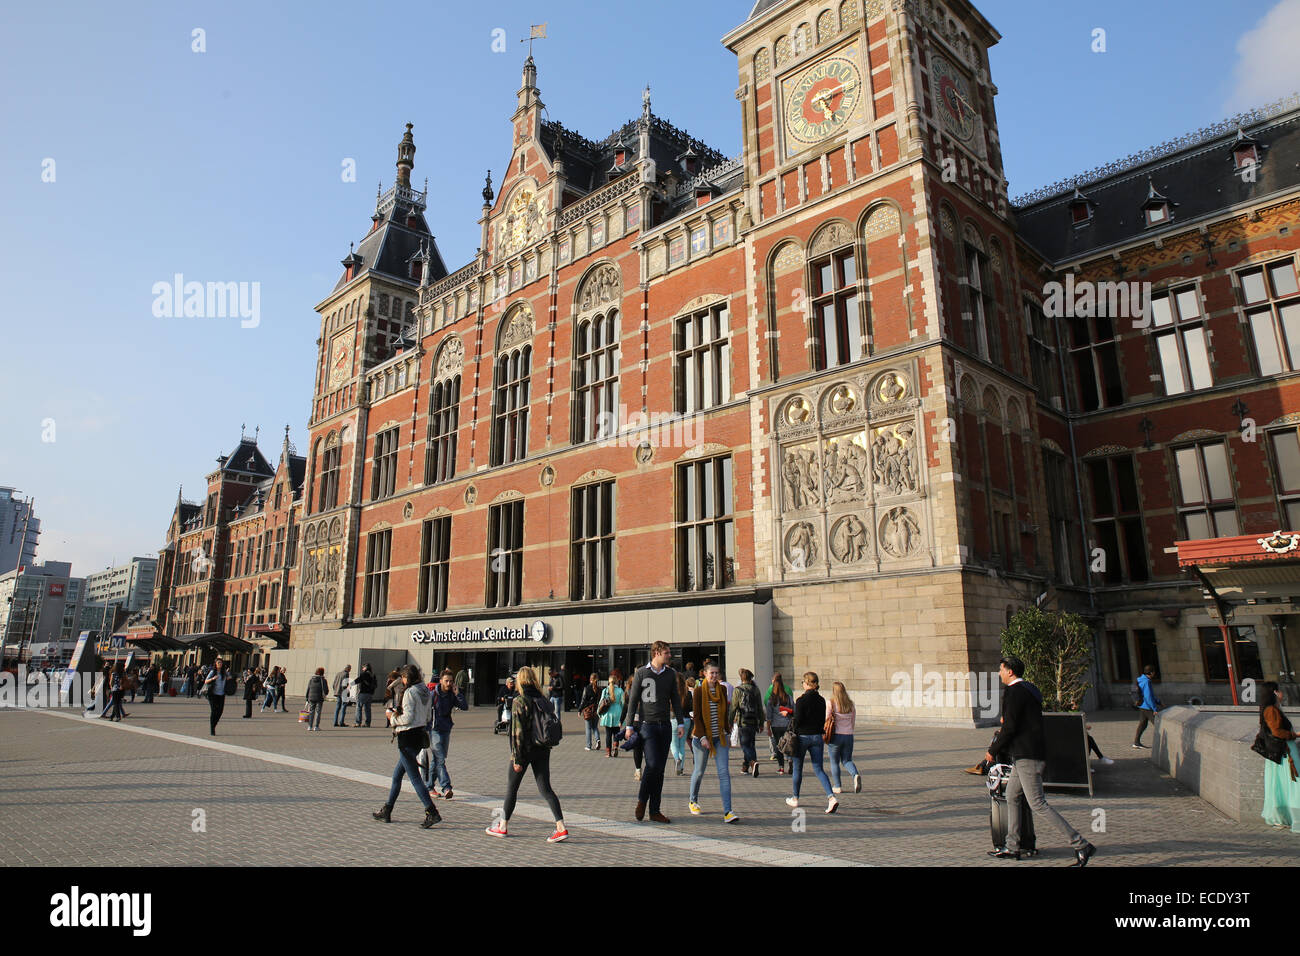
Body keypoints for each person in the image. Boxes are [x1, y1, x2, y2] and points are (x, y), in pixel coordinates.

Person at [985, 655, 1096, 865]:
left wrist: (993, 749)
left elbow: (1010, 727)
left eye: (1001, 669)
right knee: (1012, 796)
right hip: (1026, 754)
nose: (999, 673)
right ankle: (1012, 845)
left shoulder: (1014, 692)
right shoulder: (1030, 689)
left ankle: (1081, 844)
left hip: (1027, 755)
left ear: (1010, 671)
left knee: (1038, 803)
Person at [485, 666, 568, 842]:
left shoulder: (520, 701)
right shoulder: (543, 699)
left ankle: (503, 826)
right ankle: (561, 827)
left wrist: (517, 758)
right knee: (546, 788)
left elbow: (517, 733)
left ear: (520, 681)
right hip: (543, 749)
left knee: (512, 788)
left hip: (525, 750)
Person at [621, 641, 687, 823]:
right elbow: (632, 701)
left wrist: (680, 723)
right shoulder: (642, 673)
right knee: (652, 765)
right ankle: (642, 800)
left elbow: (675, 699)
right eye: (666, 653)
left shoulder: (671, 674)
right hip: (647, 725)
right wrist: (628, 726)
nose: (669, 656)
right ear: (657, 653)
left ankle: (655, 810)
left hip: (665, 725)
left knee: (660, 770)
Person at [373, 665, 441, 829]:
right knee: (397, 776)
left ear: (408, 677)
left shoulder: (410, 692)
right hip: (419, 735)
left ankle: (432, 812)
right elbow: (428, 716)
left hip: (407, 737)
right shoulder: (425, 690)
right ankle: (387, 810)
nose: (402, 681)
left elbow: (408, 717)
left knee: (415, 778)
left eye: (403, 677)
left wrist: (392, 718)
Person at [688, 662, 739, 823]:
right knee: (699, 771)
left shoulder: (722, 690)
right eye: (712, 673)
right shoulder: (698, 691)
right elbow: (696, 716)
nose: (714, 676)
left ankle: (728, 811)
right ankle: (693, 800)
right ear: (704, 674)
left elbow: (725, 713)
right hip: (701, 738)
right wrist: (703, 737)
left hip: (720, 737)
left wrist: (728, 731)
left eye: (717, 673)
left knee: (724, 773)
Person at [785, 672, 838, 813]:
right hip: (817, 736)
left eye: (803, 681)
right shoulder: (821, 700)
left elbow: (798, 719)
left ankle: (795, 798)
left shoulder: (801, 700)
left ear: (807, 683)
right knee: (819, 769)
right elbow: (822, 720)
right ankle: (831, 797)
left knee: (797, 768)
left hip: (803, 737)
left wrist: (792, 722)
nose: (802, 684)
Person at [1259, 682, 1300, 832]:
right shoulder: (1271, 710)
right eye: (1279, 691)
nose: (1282, 693)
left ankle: (1282, 817)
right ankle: (1289, 817)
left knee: (1280, 784)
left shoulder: (1271, 709)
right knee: (1292, 783)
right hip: (1284, 752)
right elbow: (1277, 731)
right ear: (1275, 693)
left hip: (1280, 753)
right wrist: (1294, 735)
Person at [425, 669, 467, 799]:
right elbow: (426, 713)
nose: (449, 683)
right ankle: (446, 787)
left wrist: (458, 693)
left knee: (437, 760)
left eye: (450, 681)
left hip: (446, 729)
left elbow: (464, 706)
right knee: (440, 759)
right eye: (446, 681)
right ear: (441, 681)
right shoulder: (433, 695)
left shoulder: (451, 695)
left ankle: (429, 786)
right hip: (434, 730)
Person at [826, 681, 861, 794]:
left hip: (835, 736)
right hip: (848, 735)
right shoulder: (850, 704)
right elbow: (853, 721)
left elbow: (827, 719)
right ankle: (855, 775)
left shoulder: (831, 703)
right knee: (847, 760)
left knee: (834, 762)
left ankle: (837, 786)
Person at [731, 669, 763, 777]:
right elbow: (759, 707)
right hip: (753, 721)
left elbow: (733, 708)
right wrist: (761, 722)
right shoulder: (756, 690)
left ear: (741, 678)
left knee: (744, 745)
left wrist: (729, 722)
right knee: (751, 744)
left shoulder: (738, 690)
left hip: (742, 721)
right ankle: (746, 767)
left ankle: (753, 762)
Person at [766, 677, 793, 775]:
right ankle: (790, 760)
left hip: (776, 726)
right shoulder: (788, 697)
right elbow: (793, 711)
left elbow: (769, 716)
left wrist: (768, 728)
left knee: (779, 746)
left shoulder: (771, 699)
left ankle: (781, 767)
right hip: (787, 724)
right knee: (788, 744)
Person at [202, 658, 237, 736]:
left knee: (220, 711)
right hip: (213, 694)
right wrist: (213, 678)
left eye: (221, 663)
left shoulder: (224, 672)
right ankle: (212, 729)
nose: (220, 664)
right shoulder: (212, 672)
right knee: (214, 711)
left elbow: (231, 677)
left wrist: (229, 678)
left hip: (221, 694)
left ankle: (214, 724)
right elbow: (206, 681)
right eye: (218, 663)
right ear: (215, 664)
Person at [1133, 665, 1161, 749]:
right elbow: (1148, 696)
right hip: (1147, 707)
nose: (1154, 674)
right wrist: (1154, 709)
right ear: (1151, 672)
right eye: (1154, 672)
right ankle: (1162, 744)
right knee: (1158, 724)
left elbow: (1148, 695)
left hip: (1141, 705)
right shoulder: (1147, 681)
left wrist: (1158, 701)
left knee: (1143, 724)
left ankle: (1136, 743)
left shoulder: (1140, 679)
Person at [598, 669, 625, 757]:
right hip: (618, 713)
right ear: (617, 681)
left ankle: (608, 752)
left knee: (608, 735)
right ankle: (616, 746)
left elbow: (600, 703)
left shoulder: (605, 690)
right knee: (616, 733)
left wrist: (599, 714)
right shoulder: (620, 690)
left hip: (607, 714)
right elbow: (623, 703)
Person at [669, 672, 690, 775]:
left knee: (673, 744)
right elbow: (691, 708)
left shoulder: (670, 692)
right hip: (686, 719)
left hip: (673, 719)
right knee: (682, 745)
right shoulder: (688, 693)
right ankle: (681, 769)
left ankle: (677, 759)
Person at [579, 673, 601, 751]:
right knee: (595, 727)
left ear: (590, 679)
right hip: (596, 711)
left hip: (588, 710)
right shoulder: (599, 689)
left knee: (588, 728)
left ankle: (589, 746)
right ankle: (598, 739)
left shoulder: (587, 688)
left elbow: (583, 700)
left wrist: (579, 710)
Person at [354, 663, 377, 727]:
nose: (362, 669)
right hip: (370, 694)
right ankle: (367, 723)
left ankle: (358, 722)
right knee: (368, 709)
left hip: (363, 693)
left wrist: (350, 684)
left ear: (366, 667)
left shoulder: (364, 674)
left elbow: (358, 680)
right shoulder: (372, 675)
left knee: (359, 707)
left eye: (363, 667)